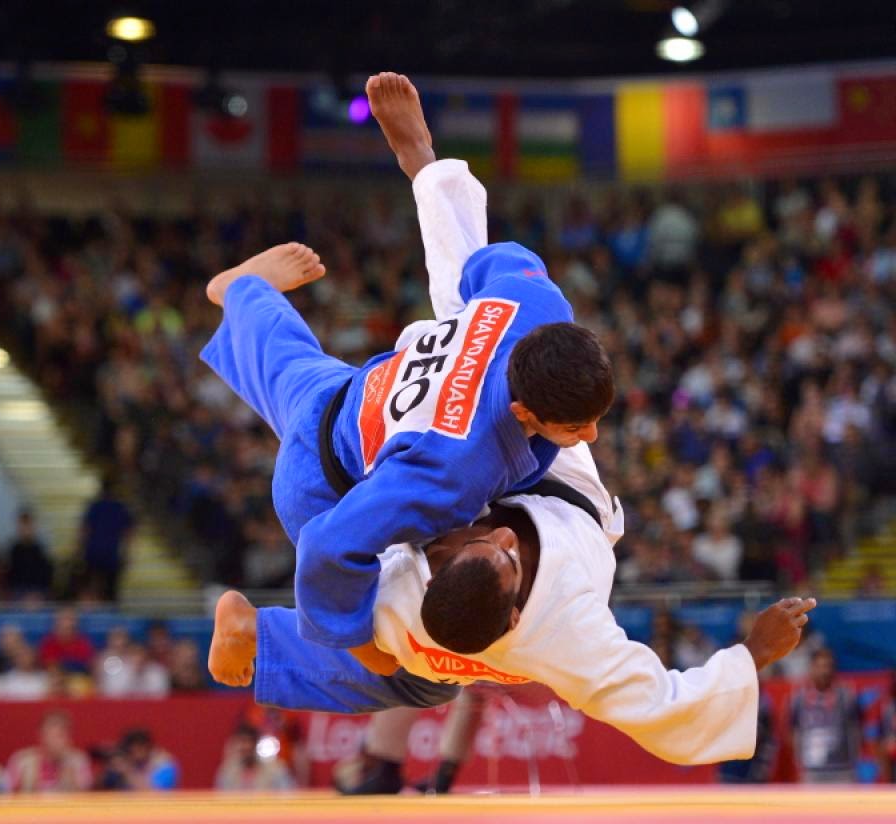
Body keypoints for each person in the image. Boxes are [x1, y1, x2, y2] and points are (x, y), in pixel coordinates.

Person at [200, 72, 613, 667]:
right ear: (523, 411)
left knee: (286, 360)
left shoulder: (536, 304)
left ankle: (243, 293)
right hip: (321, 486)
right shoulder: (455, 473)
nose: (592, 435)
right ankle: (268, 638)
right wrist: (360, 640)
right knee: (411, 641)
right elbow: (326, 546)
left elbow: (484, 262)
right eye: (575, 427)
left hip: (347, 393)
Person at [208, 443, 816, 766]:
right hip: (549, 484)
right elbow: (662, 709)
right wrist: (753, 651)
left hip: (417, 478)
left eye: (488, 546)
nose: (501, 536)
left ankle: (258, 634)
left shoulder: (403, 593)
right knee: (419, 681)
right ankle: (260, 634)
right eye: (503, 551)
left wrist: (296, 636)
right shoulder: (570, 636)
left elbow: (333, 568)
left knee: (409, 673)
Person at [790, 648, 862, 783]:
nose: (824, 671)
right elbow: (792, 731)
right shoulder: (799, 698)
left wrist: (853, 760)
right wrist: (800, 760)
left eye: (828, 666)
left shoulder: (846, 696)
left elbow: (857, 729)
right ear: (811, 668)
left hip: (842, 770)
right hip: (811, 771)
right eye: (819, 666)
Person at [5, 711, 92, 793]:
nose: (54, 741)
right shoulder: (21, 760)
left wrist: (66, 766)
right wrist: (31, 774)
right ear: (40, 734)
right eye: (50, 733)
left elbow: (85, 796)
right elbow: (7, 793)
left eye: (60, 735)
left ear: (69, 737)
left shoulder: (78, 761)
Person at [80, 489, 134, 602]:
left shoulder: (95, 506)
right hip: (110, 554)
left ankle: (91, 603)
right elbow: (128, 533)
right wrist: (127, 553)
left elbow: (85, 529)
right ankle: (109, 606)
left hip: (93, 553)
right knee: (111, 589)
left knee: (91, 585)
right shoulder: (121, 508)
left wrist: (80, 549)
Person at [215, 724, 294, 791]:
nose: (245, 747)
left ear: (256, 744)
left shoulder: (276, 769)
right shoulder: (228, 771)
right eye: (242, 742)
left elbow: (288, 793)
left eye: (249, 742)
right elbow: (221, 796)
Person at [106, 728, 178, 791]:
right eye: (131, 748)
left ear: (148, 746)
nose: (136, 751)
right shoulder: (125, 762)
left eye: (140, 746)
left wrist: (127, 772)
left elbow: (154, 791)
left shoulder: (163, 764)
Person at [5, 509, 54, 599]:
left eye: (28, 525)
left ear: (33, 527)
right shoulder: (14, 550)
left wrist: (35, 595)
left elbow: (46, 577)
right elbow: (10, 577)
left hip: (38, 592)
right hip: (18, 592)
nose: (26, 530)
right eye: (23, 525)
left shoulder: (40, 550)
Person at [38, 607, 95, 674]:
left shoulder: (83, 642)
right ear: (56, 622)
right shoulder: (48, 642)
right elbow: (49, 665)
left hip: (78, 676)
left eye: (70, 619)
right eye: (63, 619)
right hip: (54, 676)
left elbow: (89, 664)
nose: (67, 623)